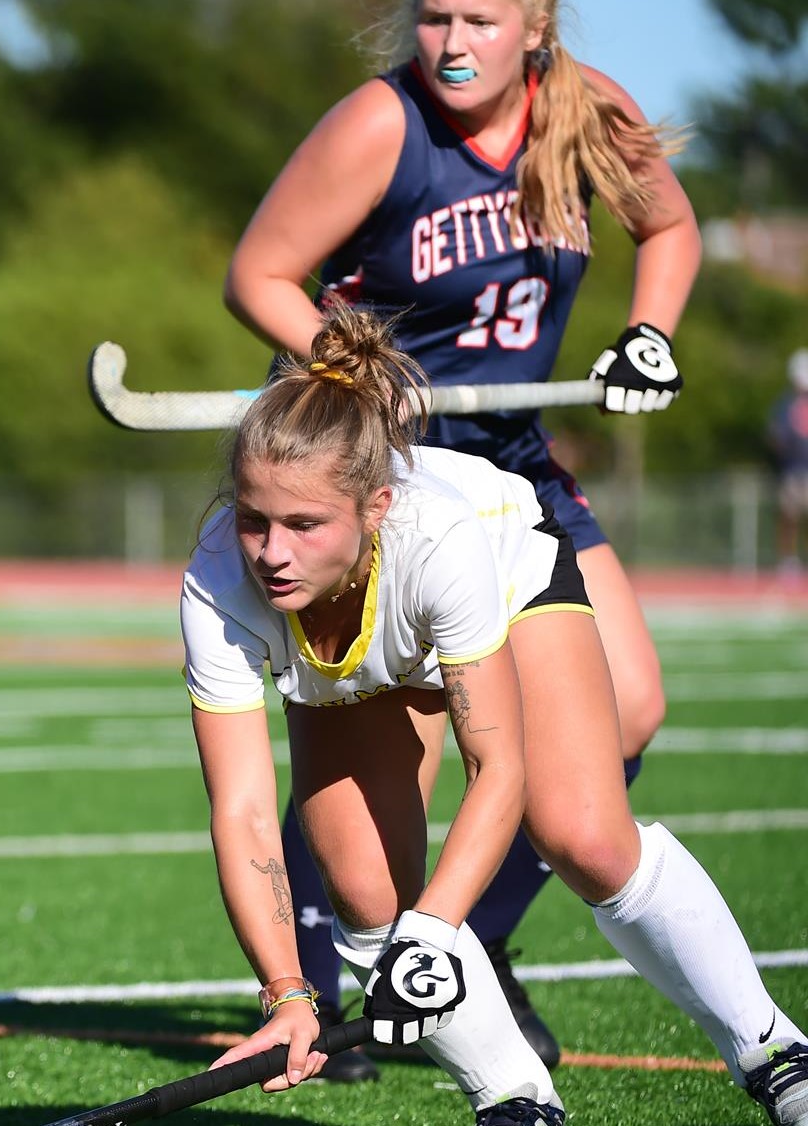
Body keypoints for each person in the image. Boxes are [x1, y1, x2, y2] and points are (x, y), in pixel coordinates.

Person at [222, 0, 702, 1074]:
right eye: (433, 14)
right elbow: (256, 276)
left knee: (628, 708)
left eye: (479, 18)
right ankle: (336, 973)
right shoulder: (379, 127)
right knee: (378, 748)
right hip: (380, 471)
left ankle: (463, 937)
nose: (449, 42)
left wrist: (649, 335)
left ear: (534, 23)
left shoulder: (582, 111)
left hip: (509, 463)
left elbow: (666, 228)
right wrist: (363, 386)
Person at [185, 303, 808, 1126]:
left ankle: (774, 1053)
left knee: (583, 832)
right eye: (257, 520)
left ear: (374, 508)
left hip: (506, 577)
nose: (271, 551)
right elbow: (243, 812)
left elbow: (498, 767)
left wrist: (438, 929)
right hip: (368, 640)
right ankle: (516, 1102)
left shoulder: (440, 534)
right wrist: (286, 993)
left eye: (304, 524)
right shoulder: (219, 577)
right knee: (369, 904)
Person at [770, 349, 808, 582]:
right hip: (793, 471)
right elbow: (777, 436)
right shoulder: (786, 404)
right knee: (789, 517)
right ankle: (788, 561)